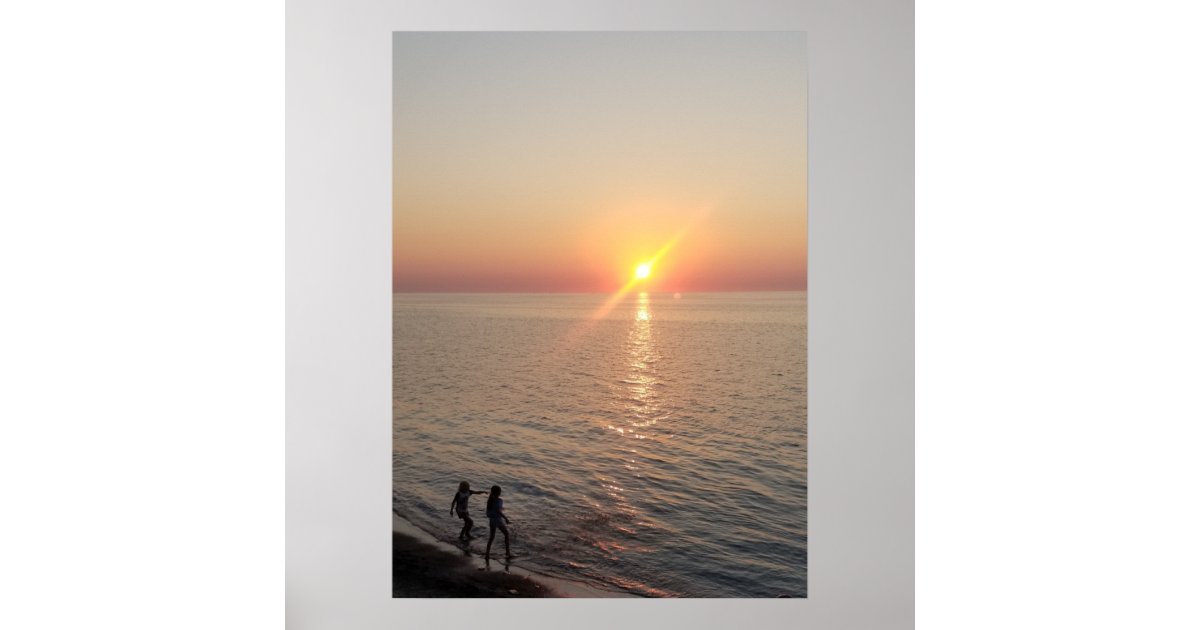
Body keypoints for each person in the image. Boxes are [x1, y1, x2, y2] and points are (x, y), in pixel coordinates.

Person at [485, 485, 512, 559]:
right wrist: (506, 518)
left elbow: (489, 512)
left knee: (491, 537)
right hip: (497, 520)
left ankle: (487, 554)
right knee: (506, 534)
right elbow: (498, 511)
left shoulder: (490, 500)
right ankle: (508, 553)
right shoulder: (499, 500)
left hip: (491, 520)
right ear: (499, 493)